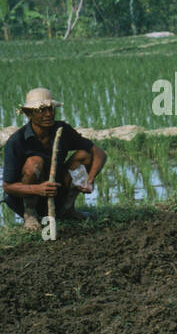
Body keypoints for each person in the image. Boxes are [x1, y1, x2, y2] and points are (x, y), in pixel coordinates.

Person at [3, 87, 106, 231]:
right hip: (28, 197)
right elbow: (7, 186)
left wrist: (89, 180)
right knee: (35, 162)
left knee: (84, 156)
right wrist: (37, 189)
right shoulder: (17, 142)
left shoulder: (62, 130)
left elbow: (99, 153)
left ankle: (67, 209)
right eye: (42, 110)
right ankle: (31, 216)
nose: (49, 114)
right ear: (28, 113)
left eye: (51, 109)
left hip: (56, 192)